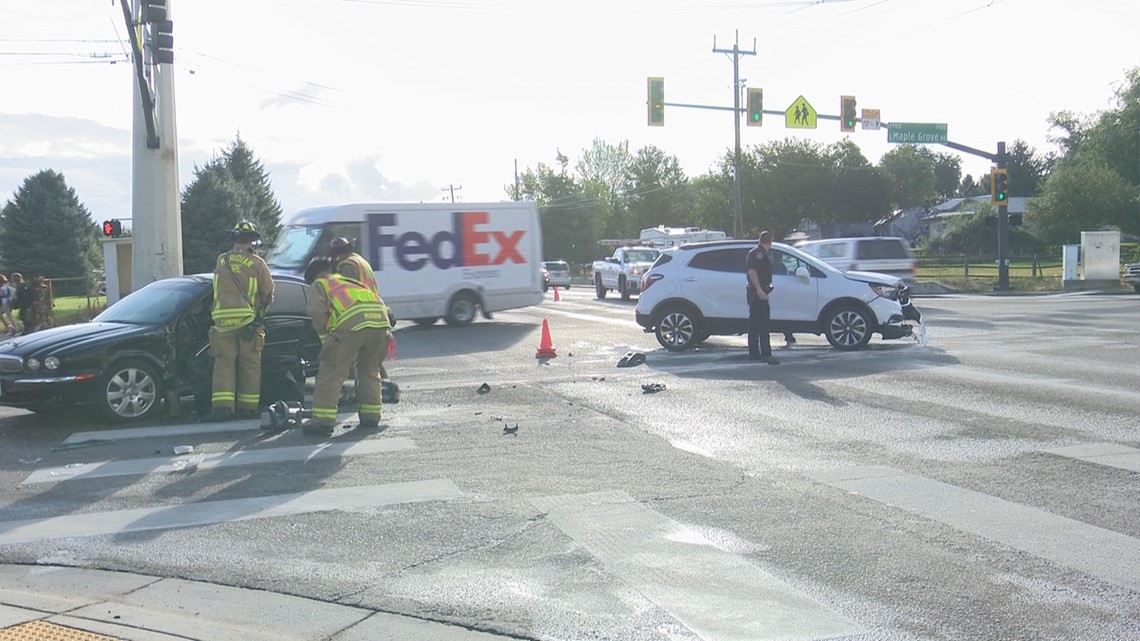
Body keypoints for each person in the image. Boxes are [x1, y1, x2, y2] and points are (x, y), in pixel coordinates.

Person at [303, 257, 392, 435]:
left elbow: (318, 314)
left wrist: (327, 342)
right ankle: (371, 416)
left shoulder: (319, 284)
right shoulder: (351, 282)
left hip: (352, 324)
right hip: (381, 324)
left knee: (330, 372)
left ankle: (322, 422)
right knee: (369, 370)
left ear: (314, 276)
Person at [209, 220, 275, 421]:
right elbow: (268, 292)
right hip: (247, 320)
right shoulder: (257, 263)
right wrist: (260, 314)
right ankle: (247, 407)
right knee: (250, 364)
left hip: (221, 321)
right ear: (252, 241)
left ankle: (222, 408)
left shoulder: (222, 260)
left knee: (224, 364)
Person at [329, 237, 392, 383]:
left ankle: (358, 390)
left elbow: (347, 292)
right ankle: (387, 387)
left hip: (361, 317)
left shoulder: (347, 265)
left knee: (356, 361)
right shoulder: (360, 261)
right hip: (376, 313)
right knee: (371, 361)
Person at [745, 230, 779, 365]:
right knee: (763, 323)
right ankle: (766, 354)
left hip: (755, 291)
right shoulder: (758, 254)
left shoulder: (757, 253)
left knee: (754, 323)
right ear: (770, 241)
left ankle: (753, 352)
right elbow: (752, 271)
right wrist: (759, 290)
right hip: (757, 291)